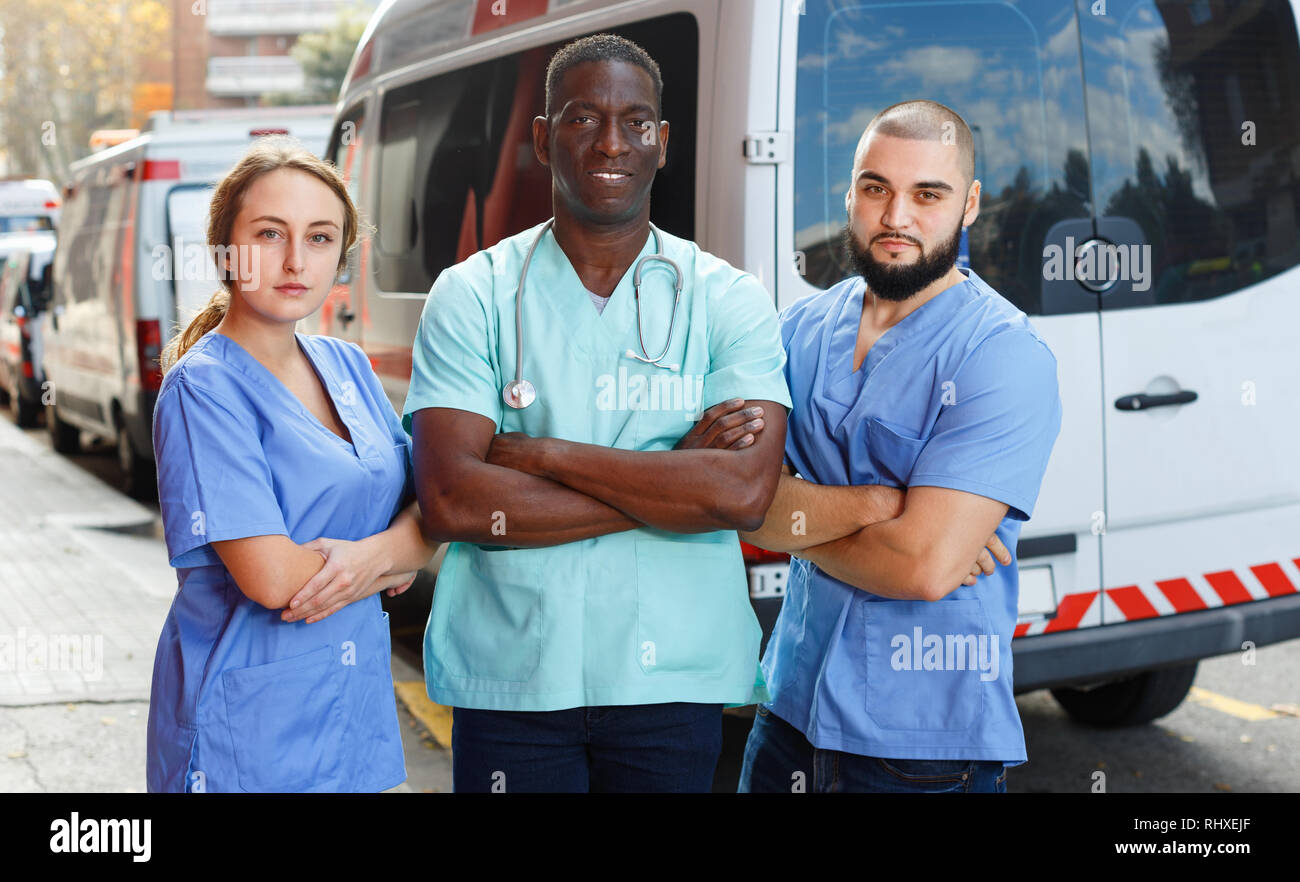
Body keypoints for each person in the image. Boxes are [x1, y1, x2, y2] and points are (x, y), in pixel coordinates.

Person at [404, 33, 792, 793]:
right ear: (545, 140)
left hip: (668, 687)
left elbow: (742, 495)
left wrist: (542, 455)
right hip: (513, 680)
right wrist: (676, 477)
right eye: (583, 119)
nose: (612, 141)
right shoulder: (473, 294)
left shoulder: (728, 299)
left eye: (637, 121)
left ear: (663, 142)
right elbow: (452, 500)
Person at [737, 100, 1062, 793]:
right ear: (849, 193)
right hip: (785, 713)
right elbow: (731, 495)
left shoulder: (1002, 356)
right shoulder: (795, 330)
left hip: (920, 751)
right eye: (876, 188)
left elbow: (922, 568)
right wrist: (879, 506)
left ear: (970, 205)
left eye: (928, 194)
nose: (896, 218)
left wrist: (792, 518)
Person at [147, 137, 439, 793]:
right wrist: (388, 556)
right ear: (225, 250)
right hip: (247, 727)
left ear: (340, 257)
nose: (293, 260)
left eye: (319, 237)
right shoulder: (204, 389)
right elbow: (273, 578)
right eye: (269, 233)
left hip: (353, 708)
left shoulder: (349, 367)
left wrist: (394, 548)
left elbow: (436, 510)